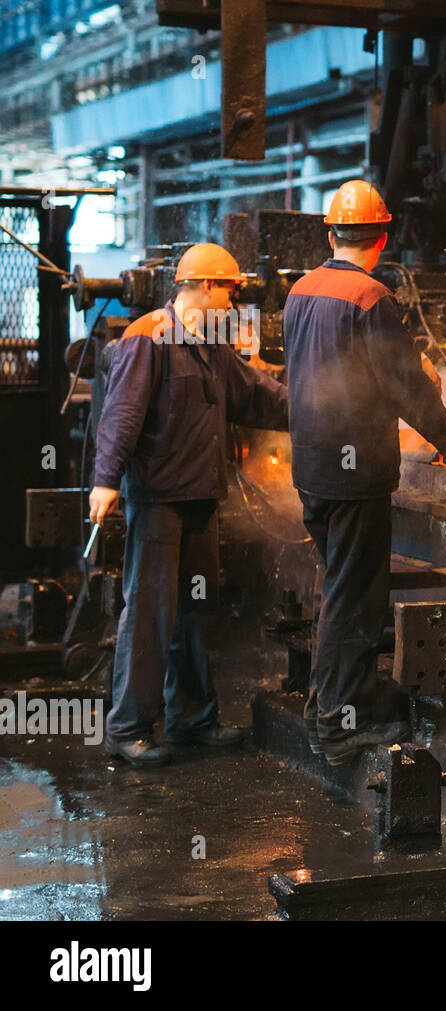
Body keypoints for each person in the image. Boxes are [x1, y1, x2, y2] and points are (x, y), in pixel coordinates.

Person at [283, 179, 446, 766]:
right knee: (356, 598)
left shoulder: (301, 291)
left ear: (332, 234)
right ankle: (337, 727)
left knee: (338, 587)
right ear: (382, 238)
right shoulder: (371, 298)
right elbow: (408, 389)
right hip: (355, 477)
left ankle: (328, 702)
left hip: (313, 468)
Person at [90, 242, 290, 767]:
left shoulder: (210, 342)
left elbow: (254, 395)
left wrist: (319, 410)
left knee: (194, 612)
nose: (234, 301)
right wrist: (105, 480)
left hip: (201, 498)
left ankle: (192, 718)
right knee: (151, 613)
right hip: (158, 500)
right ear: (205, 286)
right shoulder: (148, 337)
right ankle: (128, 727)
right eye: (230, 290)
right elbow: (122, 414)